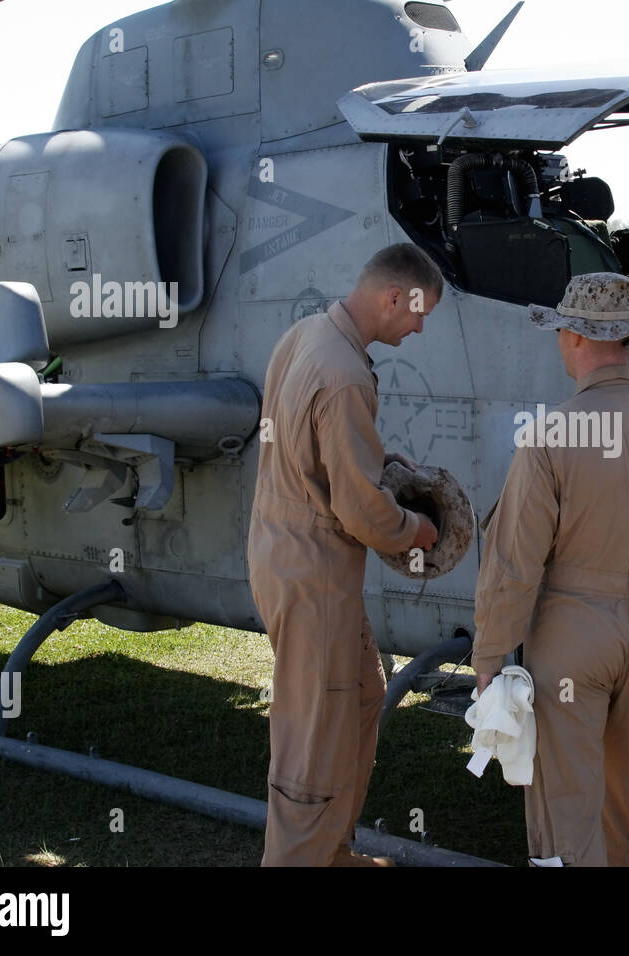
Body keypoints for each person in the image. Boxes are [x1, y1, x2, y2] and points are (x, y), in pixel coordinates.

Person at [471, 272, 629, 867]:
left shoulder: (549, 438)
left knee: (564, 806)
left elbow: (513, 566)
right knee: (618, 797)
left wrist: (488, 659)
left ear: (575, 337)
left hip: (571, 632)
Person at [248, 243, 443, 867]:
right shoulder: (346, 373)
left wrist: (381, 465)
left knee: (361, 694)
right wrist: (418, 528)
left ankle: (329, 850)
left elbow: (314, 452)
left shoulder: (308, 335)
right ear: (393, 298)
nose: (419, 328)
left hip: (287, 553)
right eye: (418, 314)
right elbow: (361, 512)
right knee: (315, 737)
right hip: (315, 573)